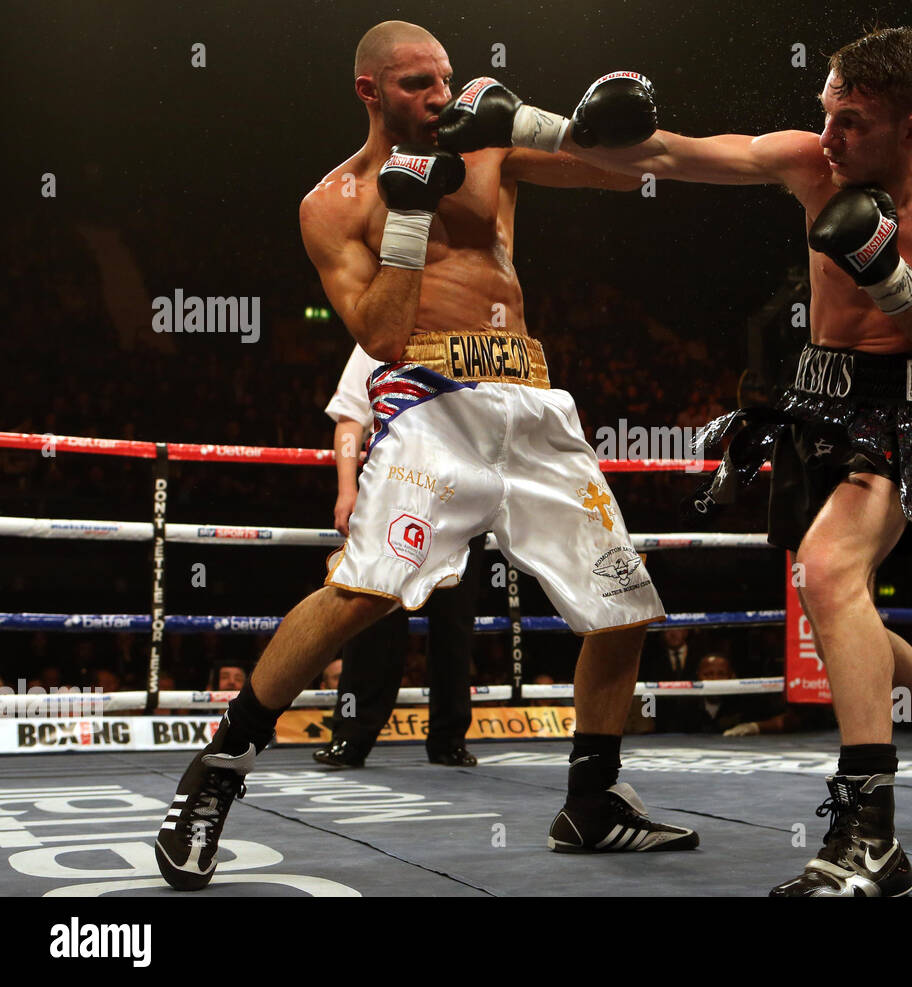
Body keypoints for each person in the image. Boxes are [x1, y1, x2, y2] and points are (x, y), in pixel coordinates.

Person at [449, 26, 912, 895]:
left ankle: (869, 835)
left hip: (905, 414)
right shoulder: (813, 164)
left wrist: (892, 280)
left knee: (830, 572)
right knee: (844, 606)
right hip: (814, 410)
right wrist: (534, 124)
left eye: (853, 123)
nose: (830, 137)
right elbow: (668, 152)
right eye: (827, 114)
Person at [155, 20, 698, 893]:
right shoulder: (332, 202)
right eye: (416, 85)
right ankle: (215, 775)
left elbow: (620, 166)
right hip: (429, 404)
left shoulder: (487, 148)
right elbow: (379, 331)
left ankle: (593, 800)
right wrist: (407, 215)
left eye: (445, 80)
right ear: (370, 91)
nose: (440, 98)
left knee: (623, 604)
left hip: (530, 398)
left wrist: (580, 121)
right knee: (361, 594)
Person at [312, 343, 484, 769]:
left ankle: (449, 738)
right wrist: (347, 489)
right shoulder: (379, 332)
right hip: (391, 490)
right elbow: (352, 417)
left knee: (454, 619)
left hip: (461, 491)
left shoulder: (470, 328)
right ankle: (352, 737)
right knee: (371, 611)